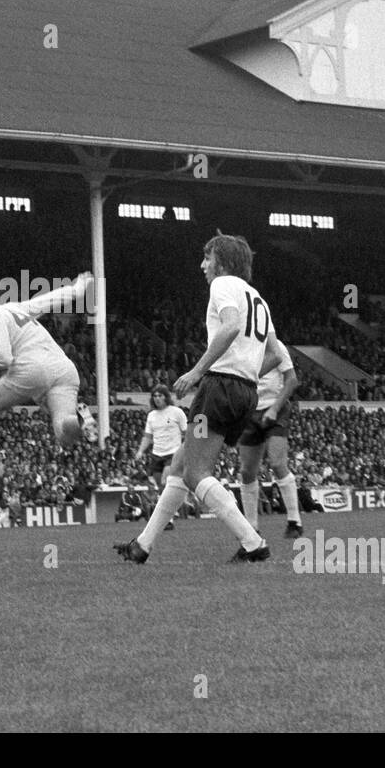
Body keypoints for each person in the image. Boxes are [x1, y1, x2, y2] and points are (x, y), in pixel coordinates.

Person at [116, 233, 276, 564]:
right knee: (181, 464)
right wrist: (245, 373)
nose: (202, 265)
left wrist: (198, 371)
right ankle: (142, 545)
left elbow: (230, 326)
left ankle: (252, 541)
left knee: (195, 473)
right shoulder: (257, 297)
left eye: (207, 258)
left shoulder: (223, 285)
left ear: (224, 261)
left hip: (218, 390)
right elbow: (275, 353)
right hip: (245, 392)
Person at [0, 272, 95, 477]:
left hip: (32, 367)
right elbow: (48, 301)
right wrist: (78, 289)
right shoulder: (12, 308)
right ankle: (79, 420)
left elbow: (3, 359)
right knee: (64, 432)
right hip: (64, 368)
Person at [237, 337, 304, 538]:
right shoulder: (240, 347)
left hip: (277, 408)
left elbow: (292, 380)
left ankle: (294, 521)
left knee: (277, 463)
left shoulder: (276, 346)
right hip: (250, 412)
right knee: (247, 471)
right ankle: (252, 528)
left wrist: (274, 409)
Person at [134, 385, 187, 530]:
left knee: (166, 482)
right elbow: (147, 436)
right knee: (161, 488)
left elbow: (187, 432)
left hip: (173, 453)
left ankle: (169, 519)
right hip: (157, 454)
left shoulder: (177, 412)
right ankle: (169, 515)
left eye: (160, 395)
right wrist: (140, 451)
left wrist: (186, 451)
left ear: (166, 397)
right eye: (155, 396)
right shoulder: (151, 415)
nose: (157, 398)